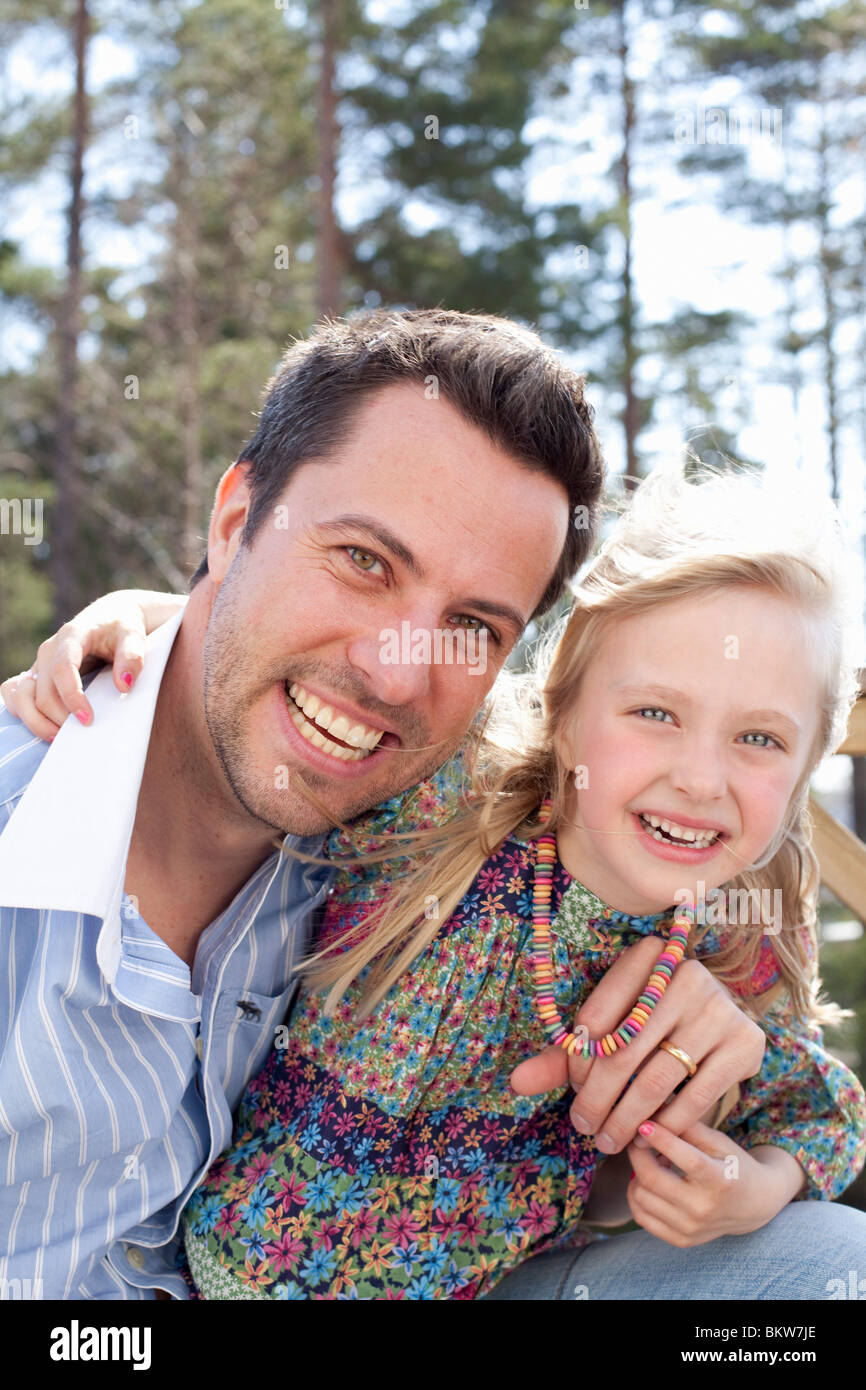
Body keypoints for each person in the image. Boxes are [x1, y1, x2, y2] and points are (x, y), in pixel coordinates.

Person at [0, 307, 761, 1302]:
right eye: (364, 561)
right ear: (235, 523)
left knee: (817, 1268)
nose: (396, 676)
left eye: (471, 626)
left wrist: (682, 1050)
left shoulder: (426, 840)